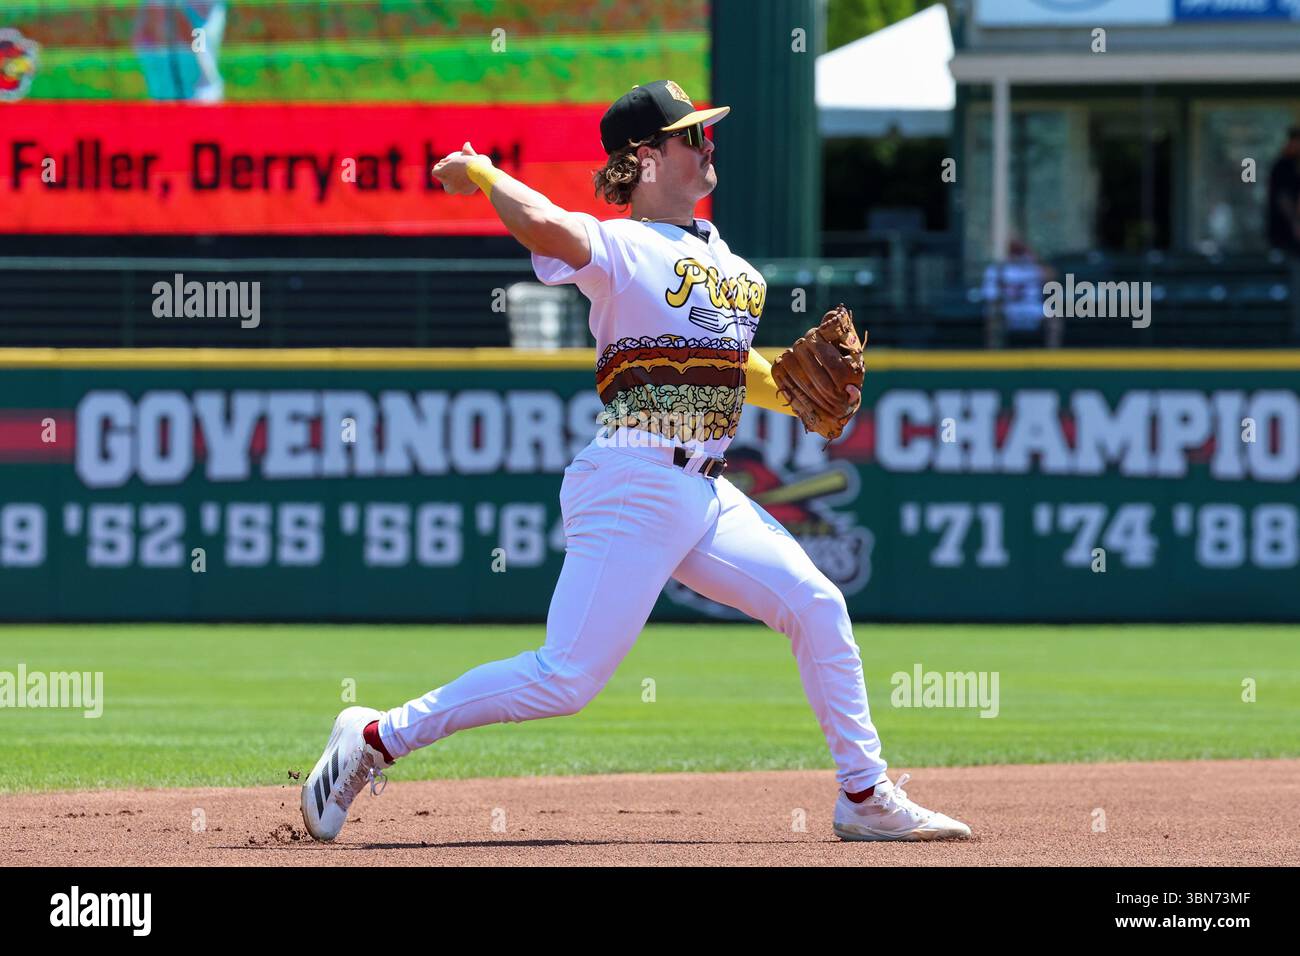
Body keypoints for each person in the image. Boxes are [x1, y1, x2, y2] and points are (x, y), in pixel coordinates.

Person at [299, 80, 971, 844]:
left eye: (704, 131)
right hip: (633, 477)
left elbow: (725, 366)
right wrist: (484, 174)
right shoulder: (619, 250)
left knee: (817, 606)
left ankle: (864, 793)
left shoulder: (736, 269)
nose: (706, 143)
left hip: (704, 493)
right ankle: (376, 737)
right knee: (565, 678)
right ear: (645, 158)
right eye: (689, 135)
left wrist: (789, 394)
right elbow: (549, 226)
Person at [982, 238, 1059, 348]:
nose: (1017, 255)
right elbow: (991, 296)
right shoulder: (998, 269)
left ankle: (1052, 354)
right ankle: (994, 353)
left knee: (1054, 316)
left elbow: (1052, 276)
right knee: (992, 314)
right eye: (1015, 251)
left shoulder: (1032, 267)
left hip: (1032, 308)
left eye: (1020, 251)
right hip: (1009, 309)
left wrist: (1035, 257)